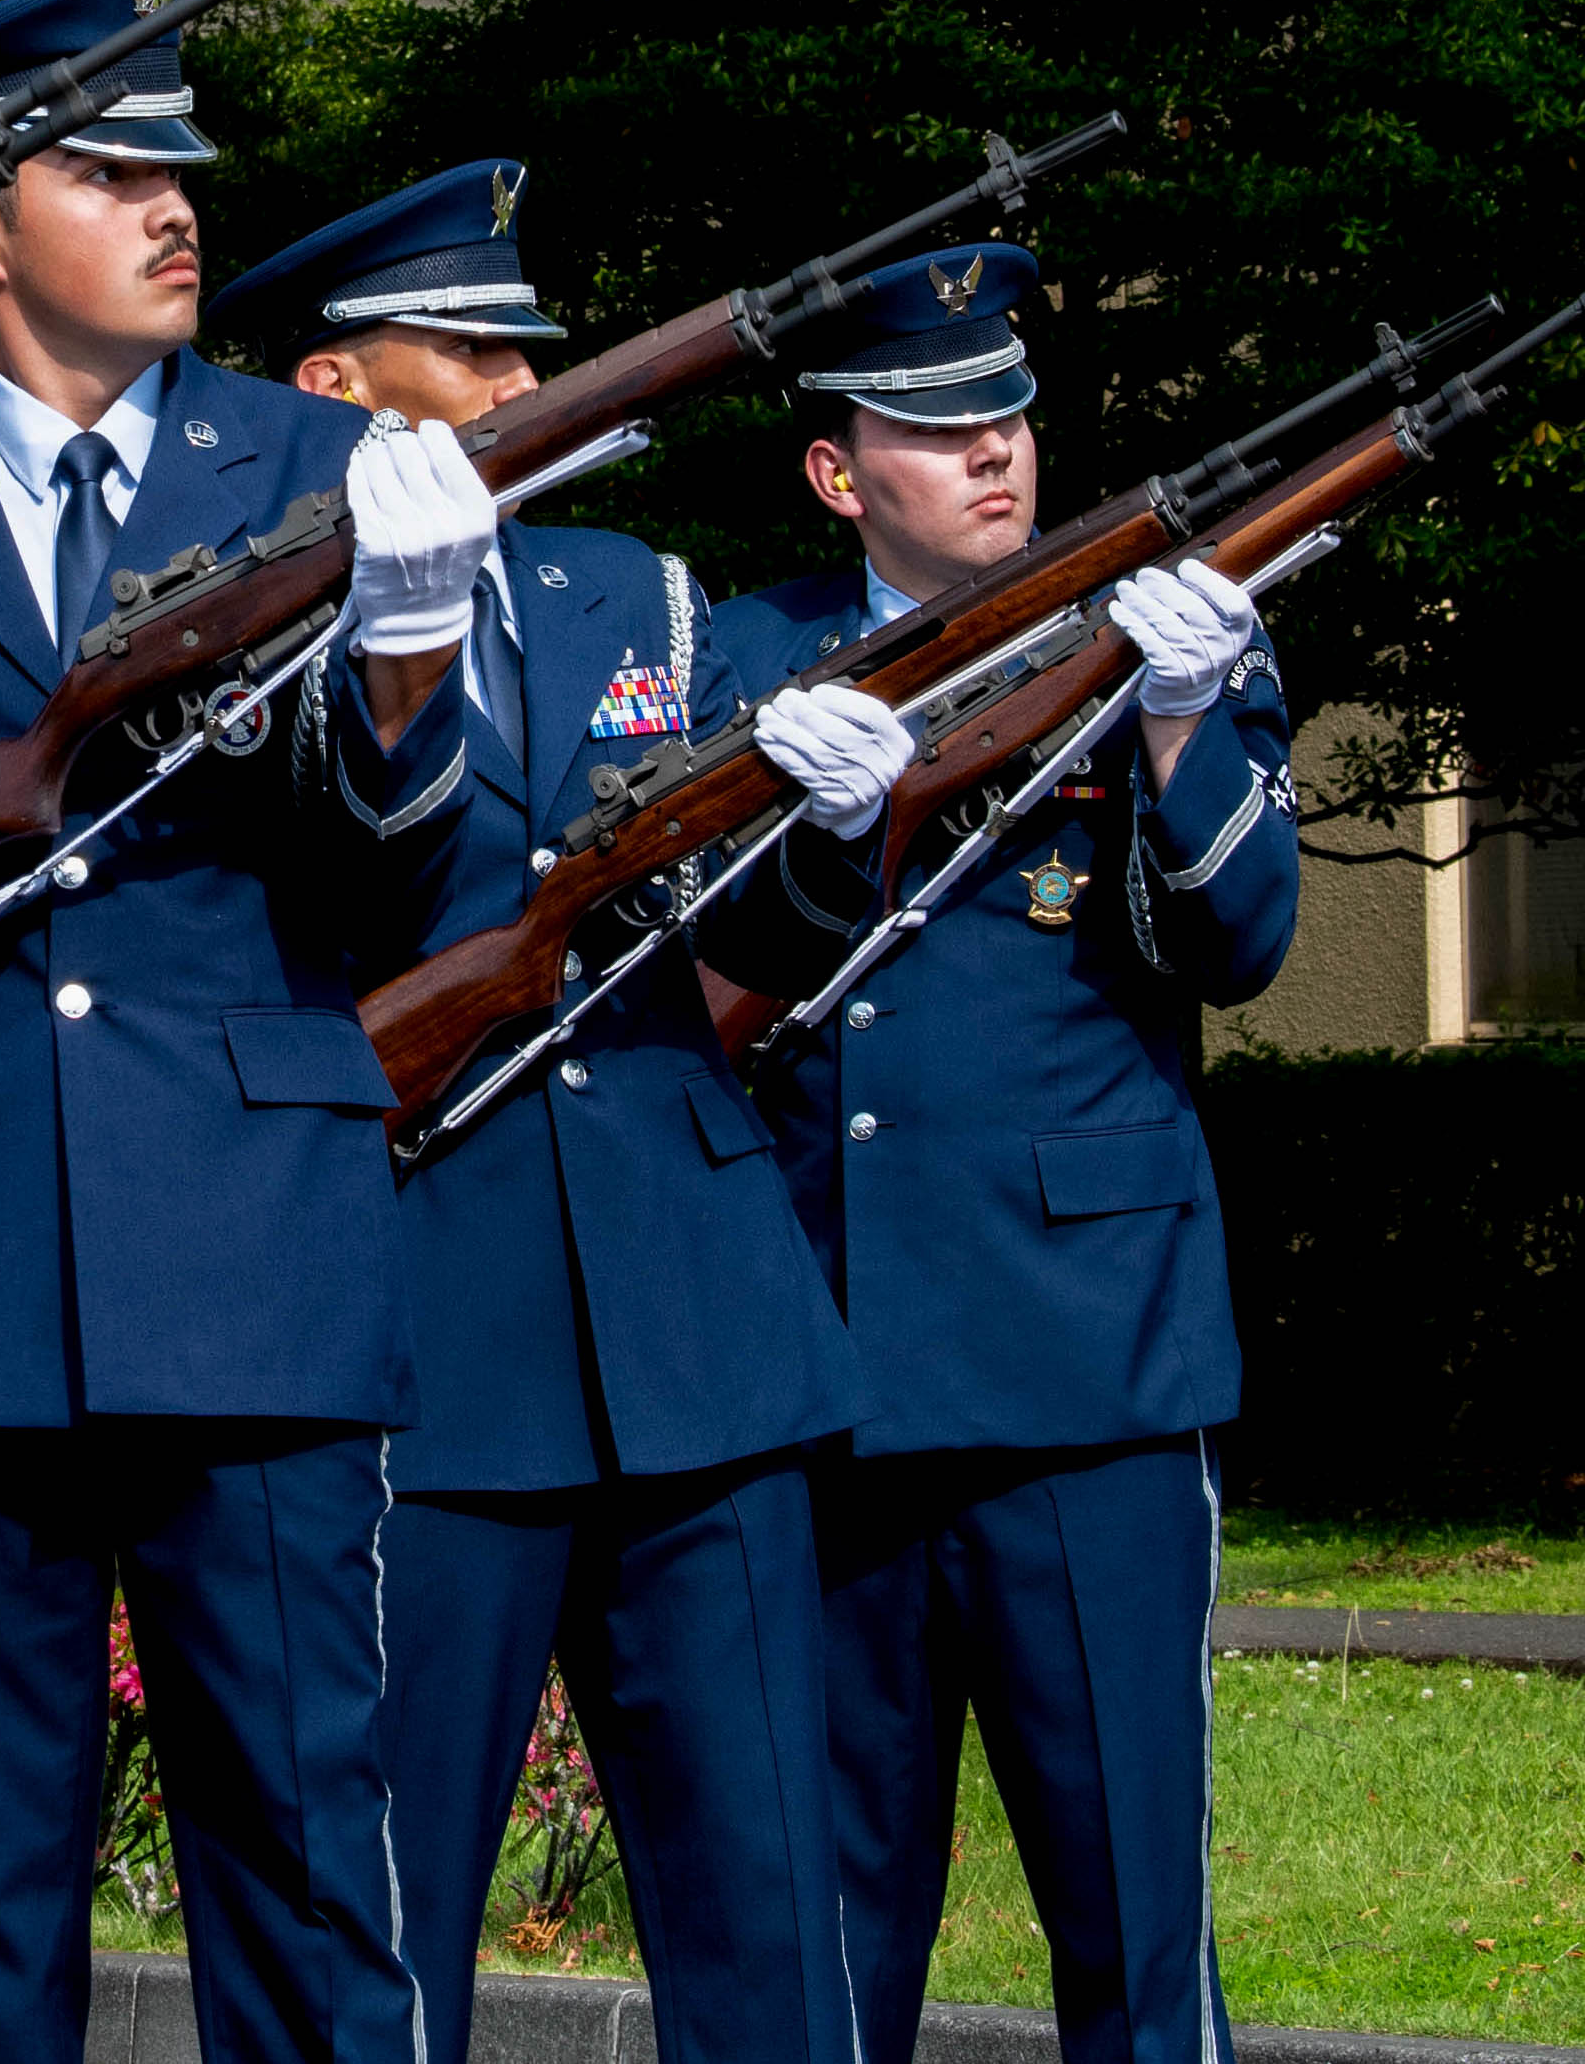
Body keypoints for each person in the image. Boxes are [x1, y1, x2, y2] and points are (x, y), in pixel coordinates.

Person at [0, 0, 492, 2064]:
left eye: (184, 173)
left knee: (316, 1882)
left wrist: (411, 675)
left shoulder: (336, 463)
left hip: (254, 1259)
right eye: (109, 172)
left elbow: (405, 882)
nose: (176, 211)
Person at [211, 167, 855, 2064]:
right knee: (391, 1916)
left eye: (526, 354)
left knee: (761, 1913)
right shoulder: (246, 633)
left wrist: (828, 830)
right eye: (469, 353)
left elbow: (752, 940)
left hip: (692, 1327)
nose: (520, 387)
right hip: (425, 1332)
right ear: (334, 389)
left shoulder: (633, 587)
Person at [711, 245, 1294, 2064]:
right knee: (826, 1921)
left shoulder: (1160, 637)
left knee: (1130, 1909)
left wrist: (1189, 721)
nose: (993, 455)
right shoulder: (740, 661)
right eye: (935, 427)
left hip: (1080, 1365)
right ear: (836, 471)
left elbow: (1241, 943)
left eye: (1012, 418)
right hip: (822, 1362)